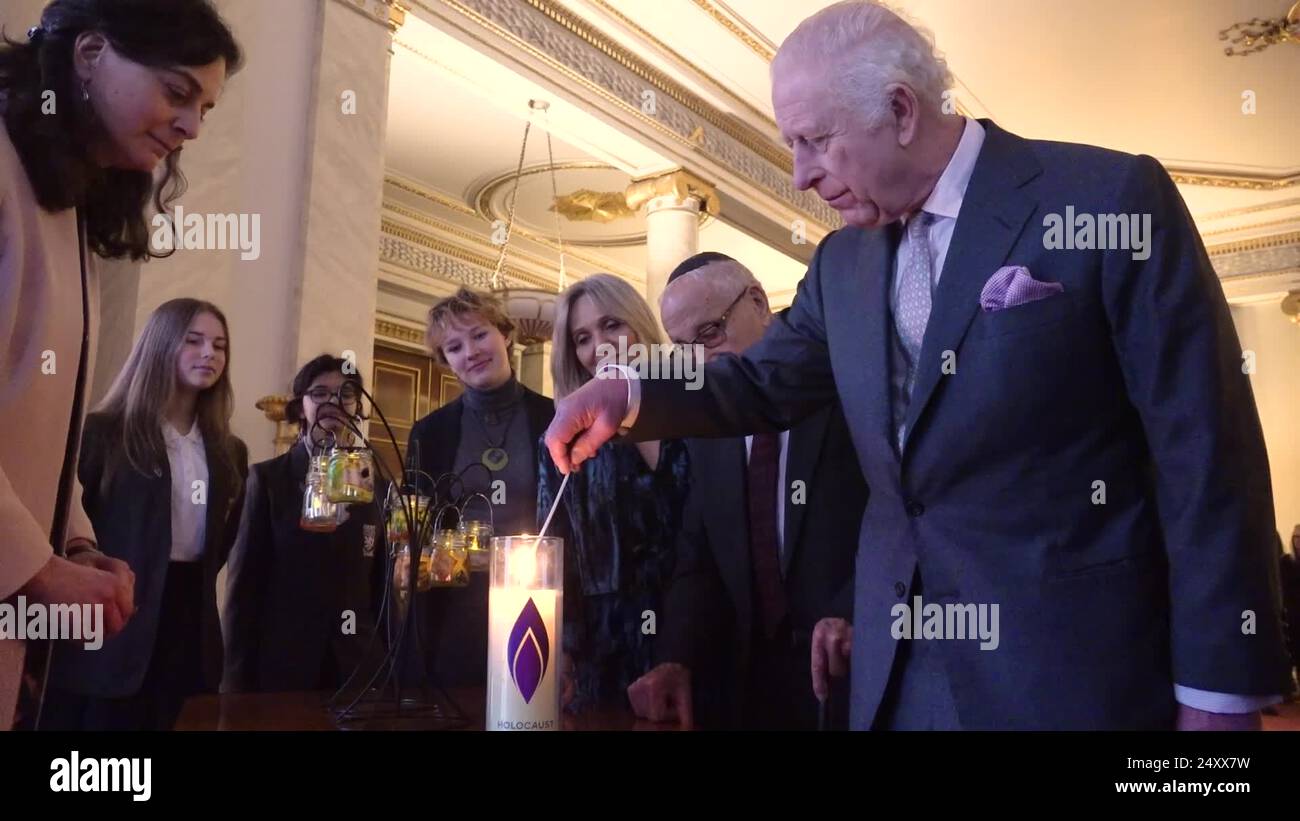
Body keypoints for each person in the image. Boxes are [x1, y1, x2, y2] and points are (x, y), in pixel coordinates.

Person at [546, 1, 1293, 730]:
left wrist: (1220, 687)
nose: (800, 174)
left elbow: (1206, 455)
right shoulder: (841, 263)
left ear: (901, 110)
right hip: (894, 676)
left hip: (1070, 673)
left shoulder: (1108, 199)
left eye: (814, 140)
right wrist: (631, 390)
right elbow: (756, 380)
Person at [0, 0, 241, 730]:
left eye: (204, 106)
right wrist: (36, 566)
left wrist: (74, 542)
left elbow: (36, 420)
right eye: (176, 92)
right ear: (90, 52)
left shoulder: (67, 204)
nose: (192, 126)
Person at [627, 253, 866, 730]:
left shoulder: (844, 380)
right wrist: (676, 656)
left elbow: (899, 514)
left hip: (851, 670)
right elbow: (702, 553)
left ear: (757, 301)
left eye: (710, 333)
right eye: (683, 347)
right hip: (749, 686)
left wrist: (855, 611)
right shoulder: (704, 426)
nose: (702, 359)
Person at [43, 299, 248, 730]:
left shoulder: (230, 451)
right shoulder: (104, 433)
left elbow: (223, 540)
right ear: (160, 345)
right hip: (114, 613)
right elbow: (67, 524)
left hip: (192, 618)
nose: (210, 353)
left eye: (219, 345)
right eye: (194, 341)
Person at [538, 274, 691, 713]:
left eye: (612, 326)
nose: (599, 346)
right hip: (600, 647)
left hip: (698, 630)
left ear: (640, 325)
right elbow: (555, 549)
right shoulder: (562, 438)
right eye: (582, 338)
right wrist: (561, 649)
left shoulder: (700, 413)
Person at [405, 288, 554, 688]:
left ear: (505, 334)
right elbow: (415, 530)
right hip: (456, 606)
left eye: (479, 335)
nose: (470, 351)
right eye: (454, 346)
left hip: (539, 600)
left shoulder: (553, 417)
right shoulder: (429, 433)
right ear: (446, 361)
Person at [223, 355, 383, 694]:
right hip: (284, 664)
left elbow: (379, 583)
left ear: (358, 407)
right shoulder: (268, 479)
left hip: (358, 665)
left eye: (345, 394)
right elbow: (245, 589)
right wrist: (236, 678)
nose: (333, 403)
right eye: (320, 393)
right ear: (300, 407)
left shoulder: (375, 483)